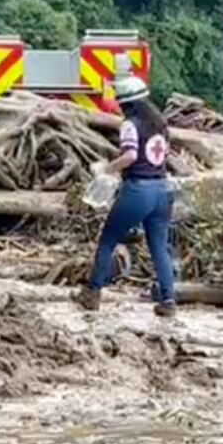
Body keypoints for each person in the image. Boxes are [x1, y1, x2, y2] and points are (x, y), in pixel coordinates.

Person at [73, 77, 177, 318]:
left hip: (139, 190)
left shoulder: (131, 124)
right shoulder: (160, 123)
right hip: (163, 190)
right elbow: (165, 155)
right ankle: (168, 300)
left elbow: (130, 156)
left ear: (126, 103)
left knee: (108, 240)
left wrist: (107, 169)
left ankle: (92, 293)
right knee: (159, 248)